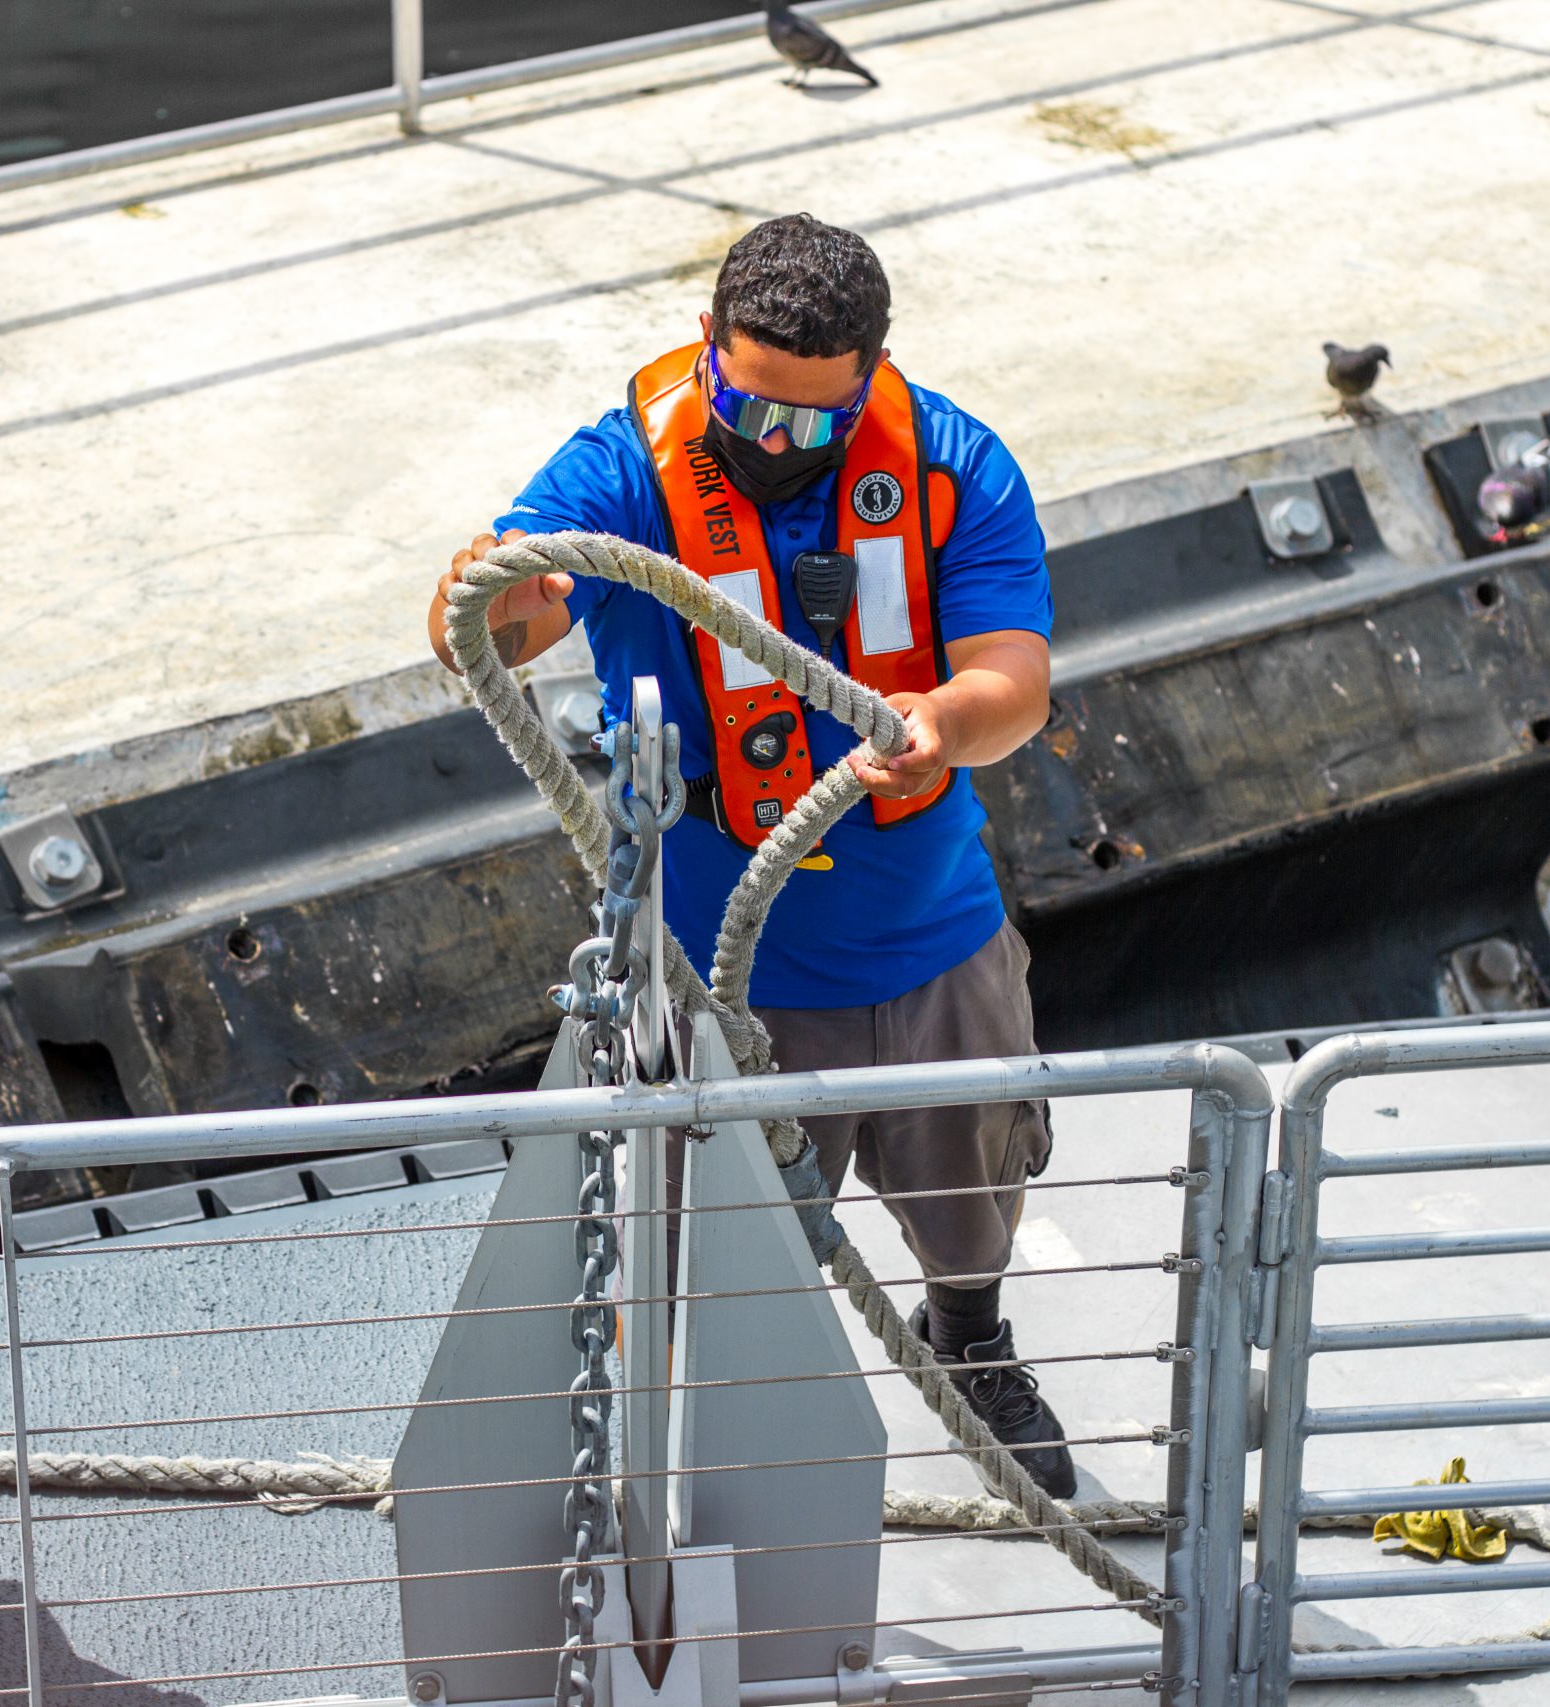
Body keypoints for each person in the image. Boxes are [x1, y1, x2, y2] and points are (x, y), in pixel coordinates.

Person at [425, 214, 1071, 1496]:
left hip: (934, 932)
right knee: (735, 1247)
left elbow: (1019, 679)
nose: (773, 444)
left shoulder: (956, 466)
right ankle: (761, 1425)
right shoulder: (623, 471)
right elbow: (503, 609)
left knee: (971, 1194)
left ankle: (973, 1341)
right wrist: (495, 596)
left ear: (870, 379)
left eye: (810, 424)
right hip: (728, 972)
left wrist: (943, 724)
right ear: (711, 351)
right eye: (746, 406)